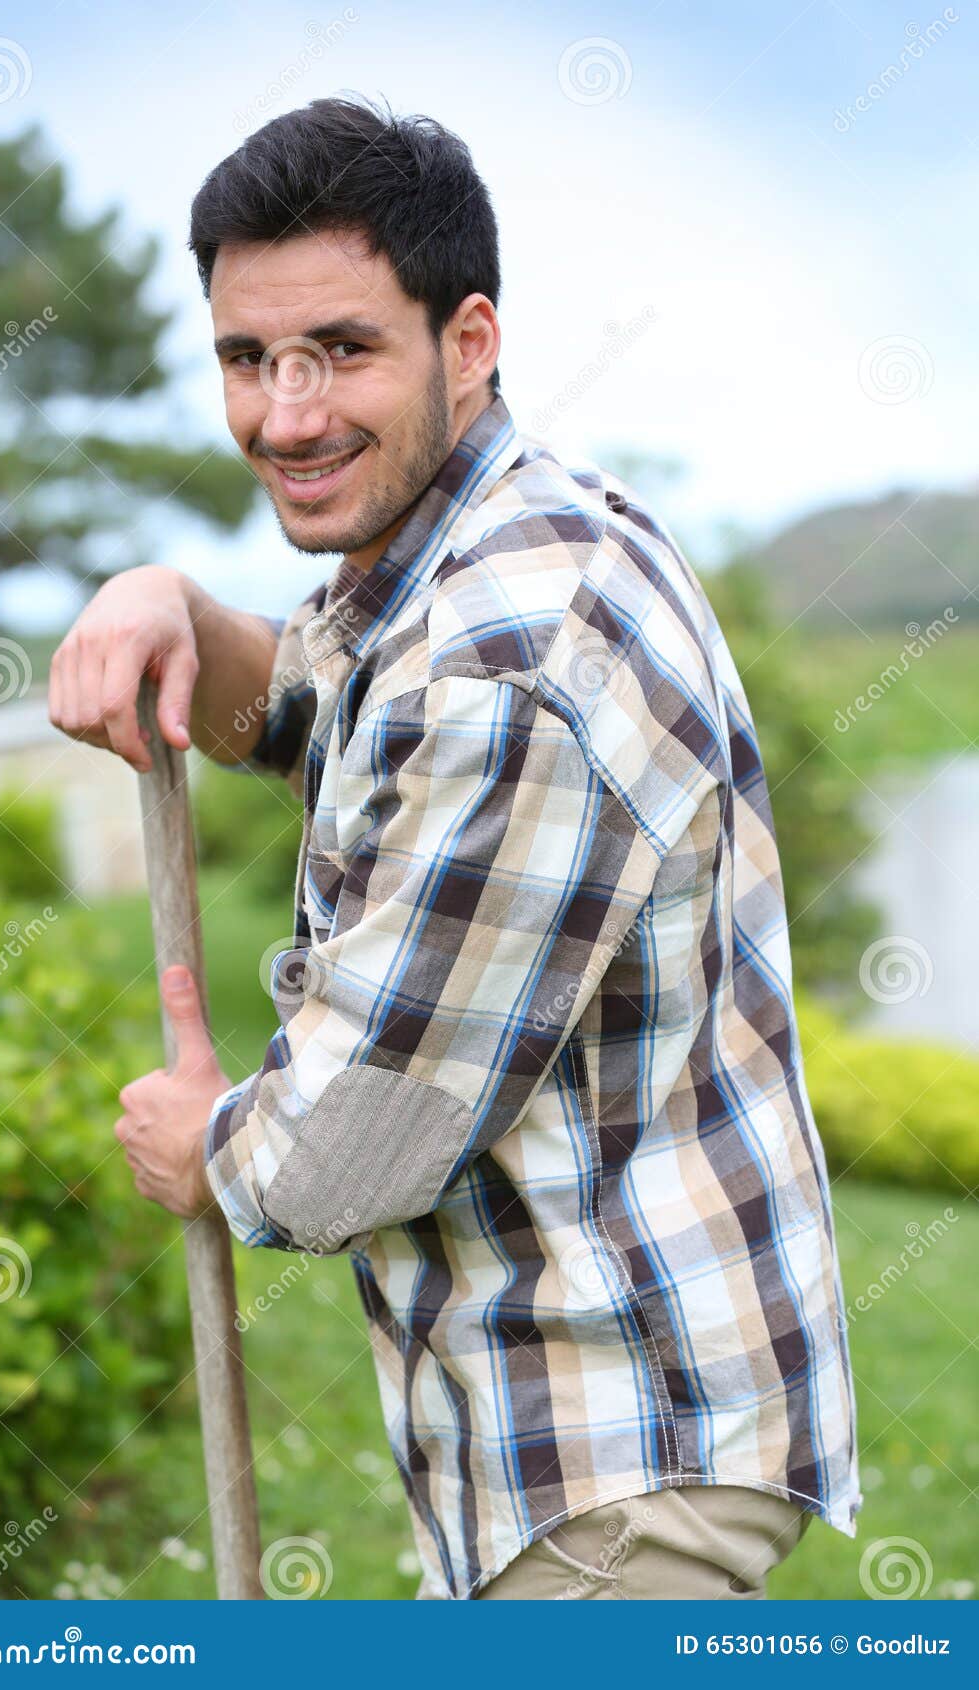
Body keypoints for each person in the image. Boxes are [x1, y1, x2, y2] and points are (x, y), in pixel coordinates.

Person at [49, 95, 861, 1601]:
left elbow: (355, 1143)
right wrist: (173, 600)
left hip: (619, 1458)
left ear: (468, 340)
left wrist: (203, 1143)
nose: (286, 413)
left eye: (344, 350)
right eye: (248, 358)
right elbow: (311, 713)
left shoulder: (513, 648)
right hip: (557, 1445)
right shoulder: (458, 560)